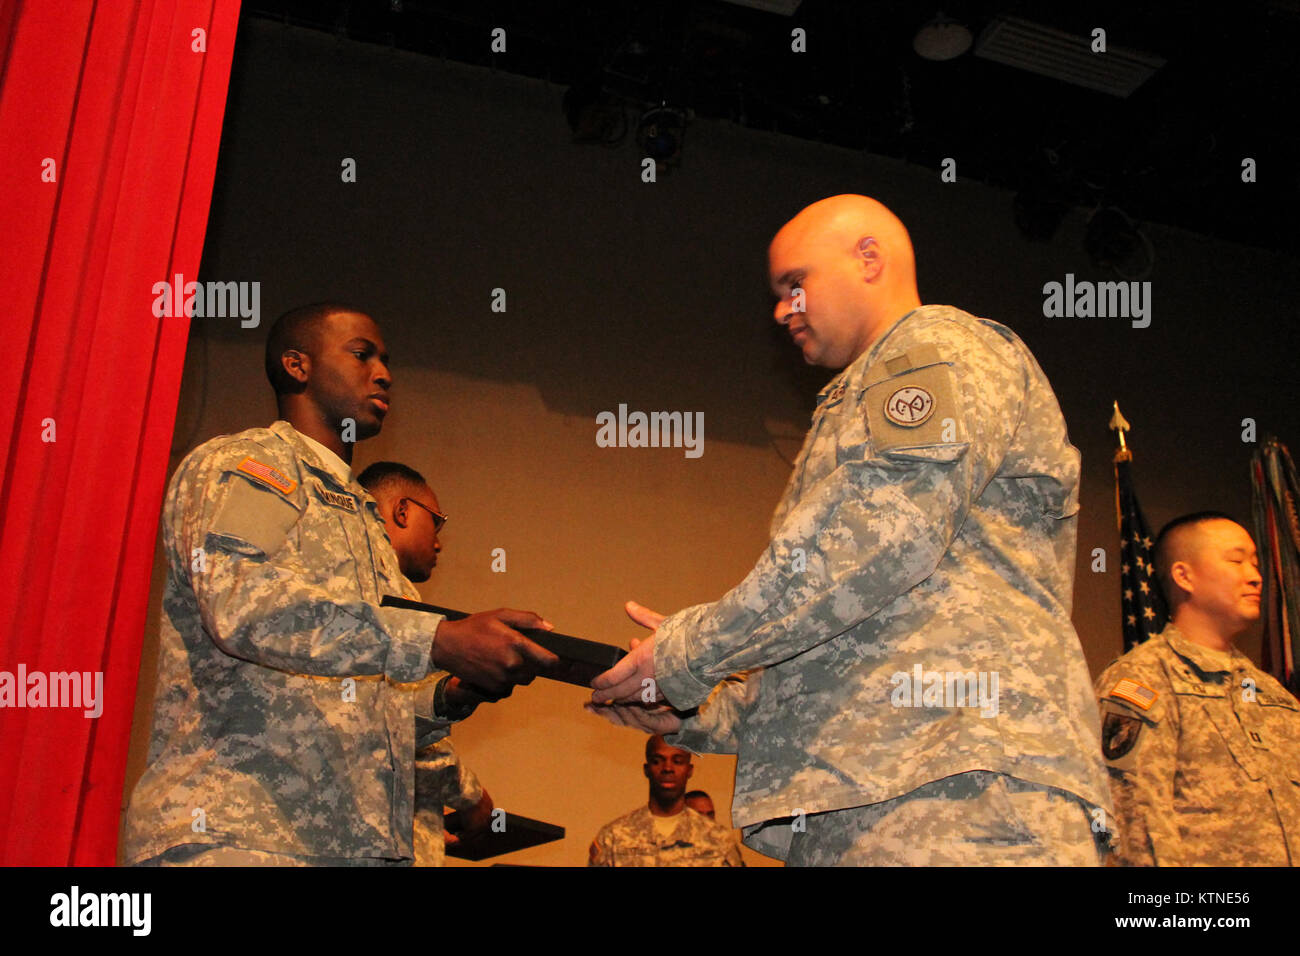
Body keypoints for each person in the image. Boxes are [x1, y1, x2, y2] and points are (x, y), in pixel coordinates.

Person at [588, 194, 1112, 866]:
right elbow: (834, 651)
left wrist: (692, 651)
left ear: (869, 259)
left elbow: (882, 535)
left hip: (960, 787)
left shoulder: (939, 348)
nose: (782, 310)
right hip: (873, 796)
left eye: (795, 284)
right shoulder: (856, 397)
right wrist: (693, 712)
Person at [122, 303, 556, 865]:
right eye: (361, 354)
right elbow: (241, 605)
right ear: (297, 365)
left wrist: (448, 695)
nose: (384, 373)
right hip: (241, 834)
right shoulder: (252, 465)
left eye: (386, 360)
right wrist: (437, 639)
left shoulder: (367, 525)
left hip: (345, 847)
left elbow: (357, 702)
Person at [1096, 512, 1300, 865]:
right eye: (1236, 561)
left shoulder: (1273, 695)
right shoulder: (1144, 680)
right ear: (1184, 576)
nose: (1255, 576)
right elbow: (1137, 830)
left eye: (1255, 563)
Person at [357, 460, 496, 867]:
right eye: (435, 523)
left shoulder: (353, 582)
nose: (438, 544)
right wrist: (471, 796)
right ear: (402, 511)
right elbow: (395, 719)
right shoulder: (387, 594)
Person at [588, 736, 744, 866]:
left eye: (677, 761)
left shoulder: (718, 840)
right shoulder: (614, 838)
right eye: (658, 761)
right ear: (646, 769)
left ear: (689, 770)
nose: (668, 768)